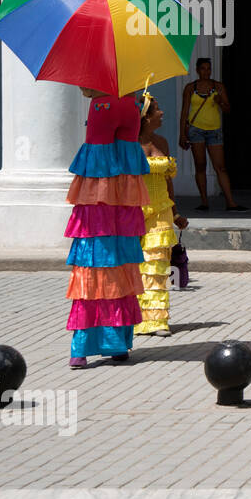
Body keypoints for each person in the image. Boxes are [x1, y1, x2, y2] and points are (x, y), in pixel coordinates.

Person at [65, 89, 149, 368]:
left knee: (94, 250)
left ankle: (82, 349)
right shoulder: (129, 58)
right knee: (120, 249)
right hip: (128, 104)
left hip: (105, 105)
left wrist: (96, 94)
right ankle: (117, 345)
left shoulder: (94, 64)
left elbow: (89, 89)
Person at [135, 96, 188, 336]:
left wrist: (175, 211)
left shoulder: (162, 142)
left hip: (161, 212)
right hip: (134, 210)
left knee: (157, 265)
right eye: (157, 110)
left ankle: (157, 320)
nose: (162, 113)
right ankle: (136, 319)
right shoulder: (128, 145)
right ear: (145, 118)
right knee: (136, 267)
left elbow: (168, 180)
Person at [180, 58, 245, 211]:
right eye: (203, 68)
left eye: (209, 69)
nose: (206, 72)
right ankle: (204, 202)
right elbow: (184, 112)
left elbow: (228, 109)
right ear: (197, 70)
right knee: (200, 165)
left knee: (220, 167)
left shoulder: (218, 86)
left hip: (214, 130)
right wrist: (182, 134)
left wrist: (220, 101)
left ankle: (230, 202)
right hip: (195, 130)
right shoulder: (190, 87)